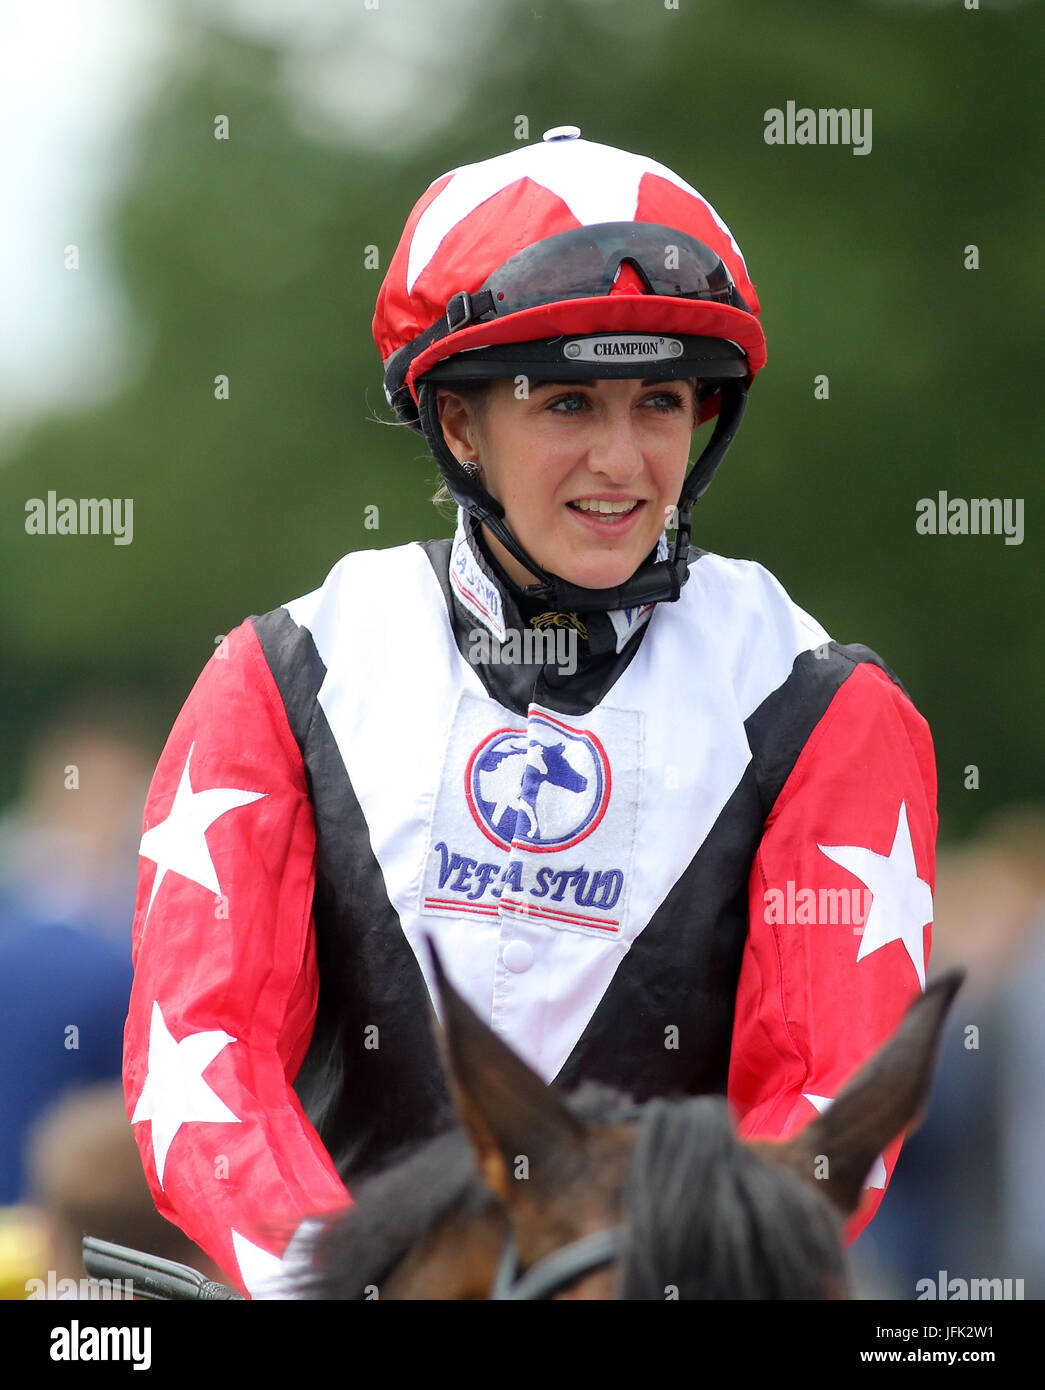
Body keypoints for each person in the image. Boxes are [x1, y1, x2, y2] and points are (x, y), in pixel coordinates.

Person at [123, 127, 938, 1296]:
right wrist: (340, 1282)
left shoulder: (824, 702)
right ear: (459, 426)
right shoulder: (282, 671)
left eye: (660, 400)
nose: (622, 461)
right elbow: (202, 1056)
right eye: (565, 402)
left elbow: (823, 1101)